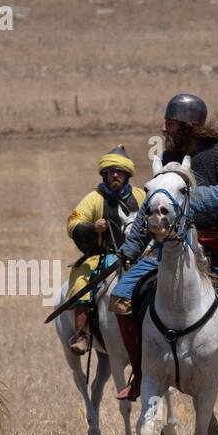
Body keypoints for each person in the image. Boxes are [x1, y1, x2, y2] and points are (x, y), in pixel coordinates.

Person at [110, 93, 218, 417]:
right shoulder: (170, 154)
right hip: (173, 248)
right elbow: (153, 207)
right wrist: (130, 250)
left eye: (171, 123)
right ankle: (139, 373)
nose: (164, 127)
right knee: (120, 297)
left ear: (190, 125)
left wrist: (190, 198)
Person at [62, 145, 146, 355]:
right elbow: (72, 223)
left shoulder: (141, 196)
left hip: (140, 256)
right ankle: (82, 334)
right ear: (104, 174)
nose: (115, 175)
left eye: (119, 171)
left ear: (127, 174)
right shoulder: (94, 199)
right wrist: (92, 227)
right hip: (102, 256)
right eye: (110, 172)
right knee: (81, 281)